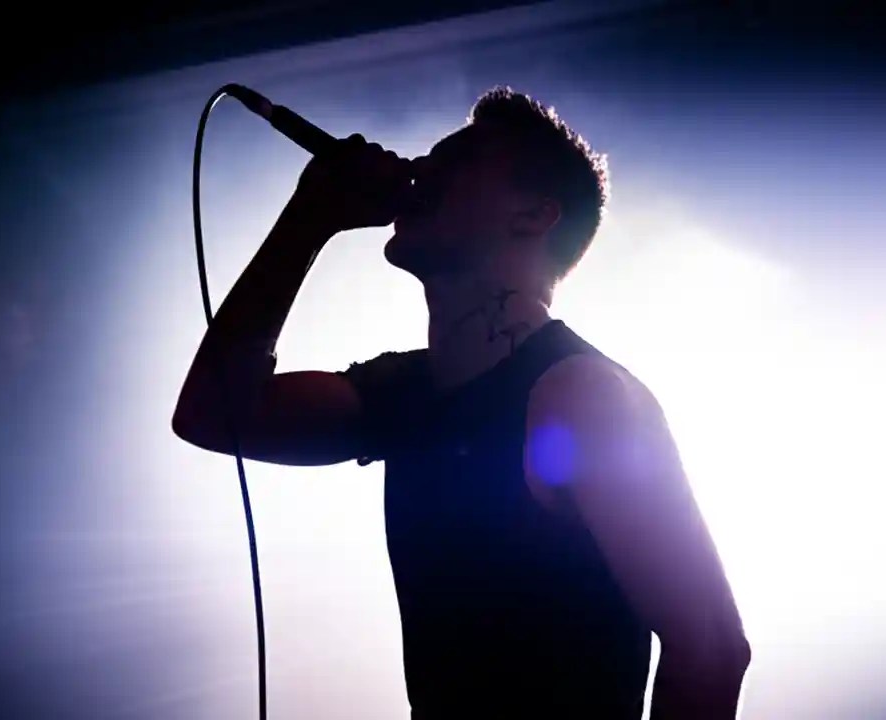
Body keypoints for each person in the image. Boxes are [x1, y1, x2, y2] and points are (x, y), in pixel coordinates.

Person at [172, 86, 750, 719]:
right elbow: (214, 414)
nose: (419, 173)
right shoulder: (403, 394)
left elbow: (712, 651)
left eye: (455, 160)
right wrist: (310, 216)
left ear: (532, 215)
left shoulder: (580, 395)